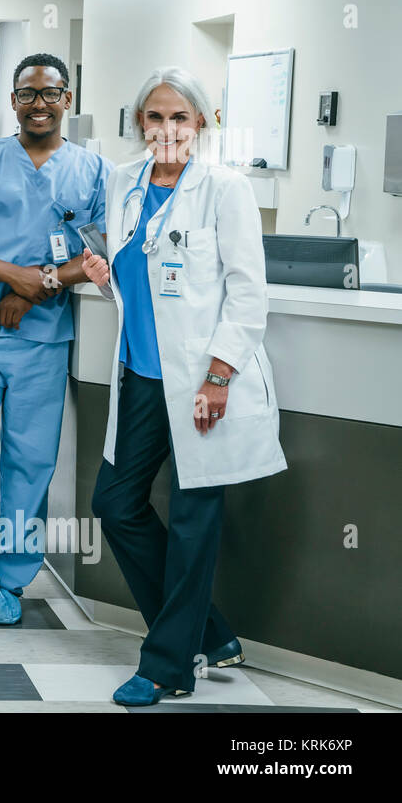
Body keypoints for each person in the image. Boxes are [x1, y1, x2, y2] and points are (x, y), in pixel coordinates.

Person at [80, 66, 287, 706]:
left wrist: (220, 374)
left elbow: (248, 294)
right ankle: (211, 631)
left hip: (203, 379)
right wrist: (102, 274)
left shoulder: (225, 189)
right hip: (141, 375)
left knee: (196, 520)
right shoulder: (122, 182)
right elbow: (142, 286)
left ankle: (169, 665)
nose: (166, 128)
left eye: (179, 117)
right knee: (115, 504)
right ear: (139, 123)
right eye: (154, 116)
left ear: (200, 123)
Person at [0, 53, 110, 633]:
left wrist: (36, 289)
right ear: (13, 101)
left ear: (68, 98)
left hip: (43, 339)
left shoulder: (93, 171)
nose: (39, 104)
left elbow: (101, 255)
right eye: (27, 94)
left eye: (50, 93)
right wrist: (14, 276)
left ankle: (11, 577)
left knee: (31, 464)